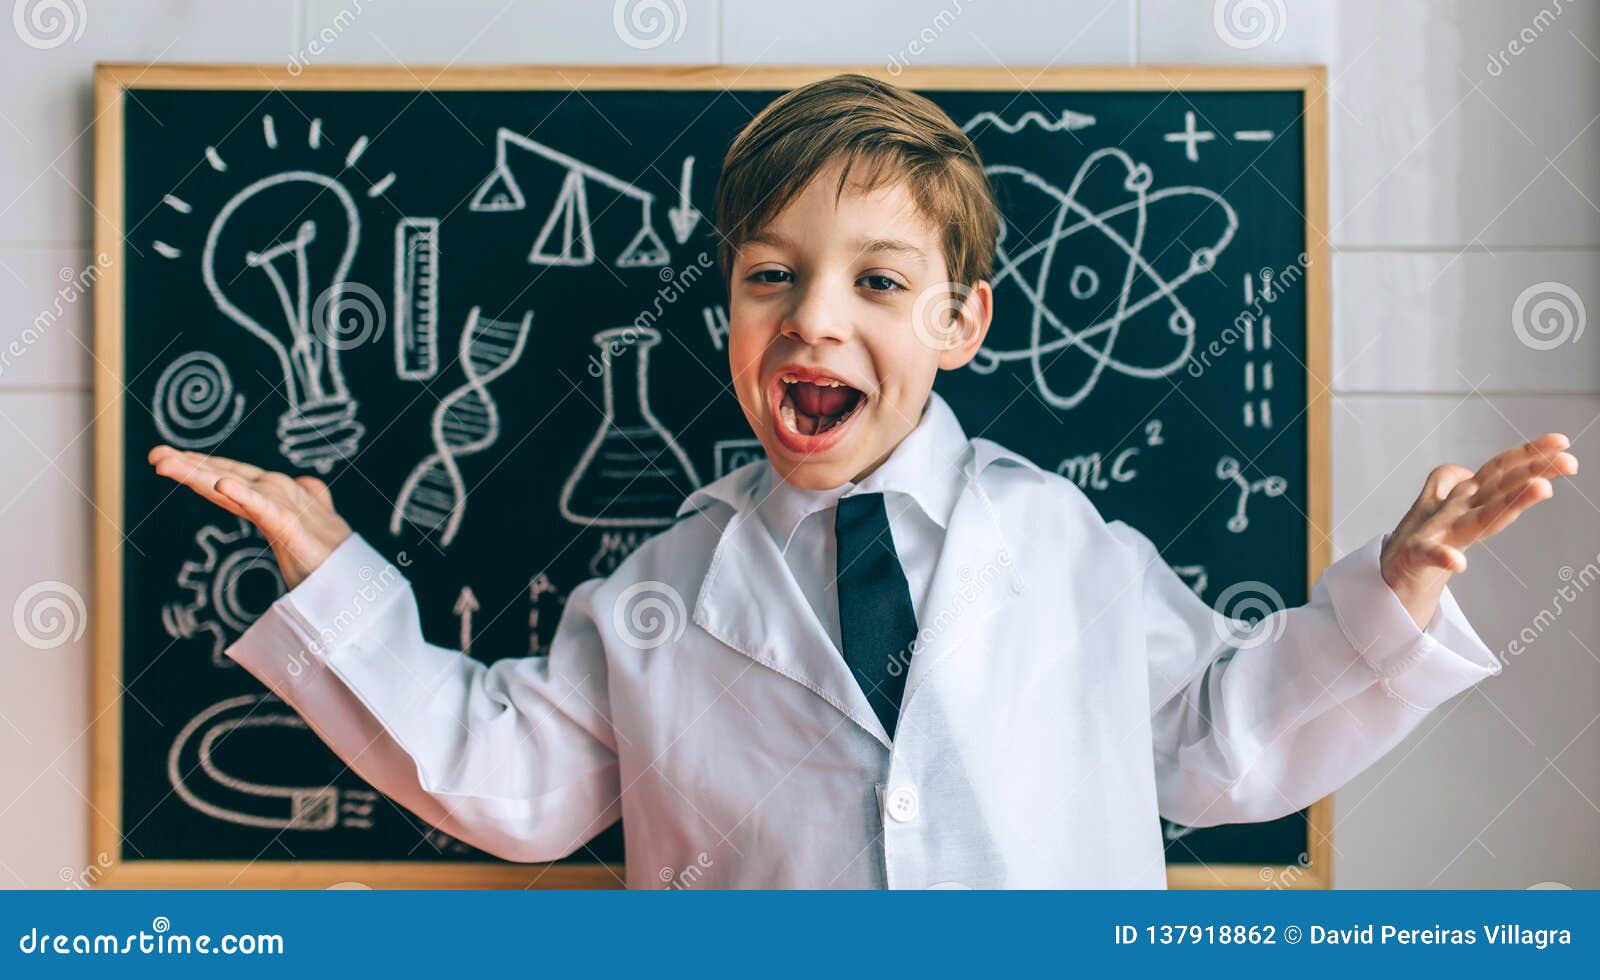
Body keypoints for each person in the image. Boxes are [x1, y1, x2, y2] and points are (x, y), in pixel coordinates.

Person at [149, 73, 1578, 888]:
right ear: (727, 309)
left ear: (961, 323)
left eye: (877, 283)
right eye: (769, 276)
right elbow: (512, 782)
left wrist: (1388, 598)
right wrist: (336, 581)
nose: (813, 321)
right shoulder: (666, 590)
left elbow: (1224, 739)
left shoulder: (1063, 545)